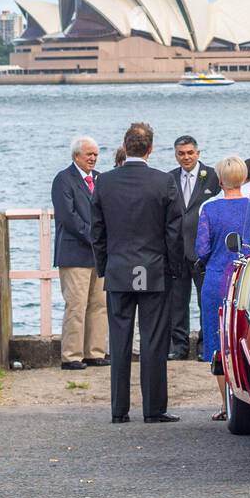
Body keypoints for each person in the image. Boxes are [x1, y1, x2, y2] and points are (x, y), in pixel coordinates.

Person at [91, 122, 183, 424]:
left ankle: (119, 410)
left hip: (119, 270)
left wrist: (104, 266)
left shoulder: (103, 182)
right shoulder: (164, 182)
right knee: (154, 341)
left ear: (124, 145)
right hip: (152, 270)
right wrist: (173, 268)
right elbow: (174, 232)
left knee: (119, 342)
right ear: (150, 149)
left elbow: (98, 232)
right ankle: (153, 409)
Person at [195, 155, 250, 419]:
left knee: (218, 343)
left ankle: (225, 403)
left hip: (218, 279)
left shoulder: (209, 210)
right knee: (248, 338)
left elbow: (202, 248)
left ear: (220, 180)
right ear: (242, 178)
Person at [51, 136, 108, 371]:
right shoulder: (64, 179)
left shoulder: (101, 179)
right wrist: (94, 236)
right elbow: (68, 216)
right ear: (76, 156)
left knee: (99, 304)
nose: (93, 158)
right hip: (75, 253)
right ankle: (71, 356)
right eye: (88, 154)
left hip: (98, 255)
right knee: (76, 305)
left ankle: (95, 352)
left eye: (95, 154)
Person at [167, 134, 220, 361]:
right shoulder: (168, 178)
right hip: (176, 249)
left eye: (190, 153)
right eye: (181, 153)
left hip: (202, 251)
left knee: (204, 301)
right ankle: (178, 348)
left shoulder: (213, 177)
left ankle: (204, 346)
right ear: (176, 155)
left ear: (198, 153)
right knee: (176, 302)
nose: (186, 157)